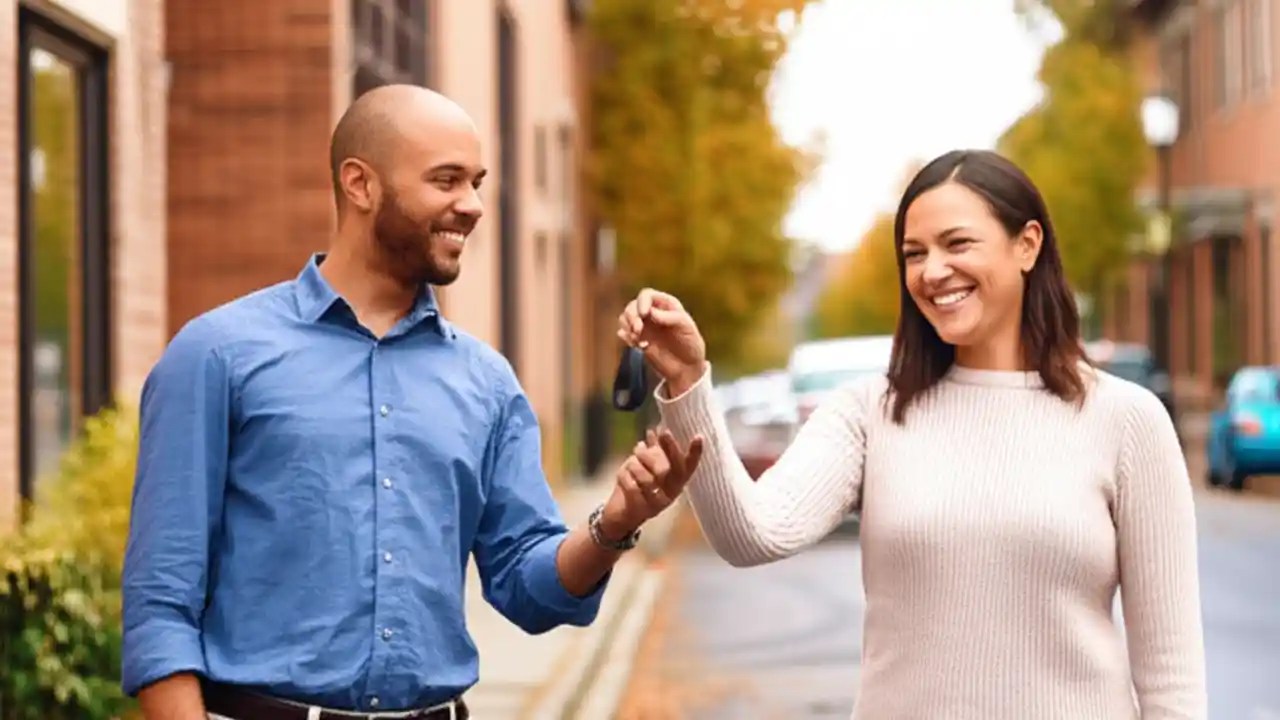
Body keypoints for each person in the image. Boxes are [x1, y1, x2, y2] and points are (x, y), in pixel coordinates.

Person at [121, 84, 704, 720]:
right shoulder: (216, 355)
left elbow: (527, 590)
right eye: (447, 180)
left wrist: (612, 525)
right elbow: (161, 600)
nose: (474, 206)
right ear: (360, 184)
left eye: (477, 182)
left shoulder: (487, 383)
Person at [619, 149, 1207, 719]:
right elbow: (751, 534)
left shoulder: (1126, 419)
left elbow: (1171, 672)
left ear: (1027, 245)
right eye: (914, 253)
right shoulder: (870, 411)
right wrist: (689, 383)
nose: (932, 272)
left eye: (958, 243)